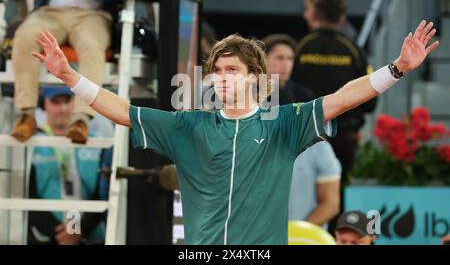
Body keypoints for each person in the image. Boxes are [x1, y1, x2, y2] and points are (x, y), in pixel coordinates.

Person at [32, 20, 438, 244]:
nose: (221, 79)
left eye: (232, 71)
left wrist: (397, 69)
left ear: (256, 77)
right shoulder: (189, 125)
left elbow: (343, 98)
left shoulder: (284, 123)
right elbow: (122, 111)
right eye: (216, 72)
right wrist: (70, 76)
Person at [11, 0, 133, 144]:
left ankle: (81, 120)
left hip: (92, 15)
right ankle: (27, 114)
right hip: (50, 13)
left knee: (92, 46)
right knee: (25, 38)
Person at [292, 0, 378, 232]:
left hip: (305, 138)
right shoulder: (353, 49)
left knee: (300, 194)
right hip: (343, 137)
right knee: (337, 199)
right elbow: (371, 100)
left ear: (313, 14)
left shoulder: (299, 48)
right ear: (342, 18)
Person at [263, 33, 341, 228]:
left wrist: (297, 236)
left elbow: (331, 203)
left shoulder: (305, 96)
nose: (286, 64)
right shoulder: (247, 99)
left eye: (290, 58)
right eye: (280, 58)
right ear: (263, 60)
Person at [28, 86, 108, 245]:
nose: (62, 108)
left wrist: (79, 230)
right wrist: (60, 232)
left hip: (89, 233)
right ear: (44, 105)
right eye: (56, 102)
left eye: (67, 101)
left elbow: (103, 190)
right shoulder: (32, 143)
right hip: (47, 235)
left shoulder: (96, 142)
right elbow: (28, 193)